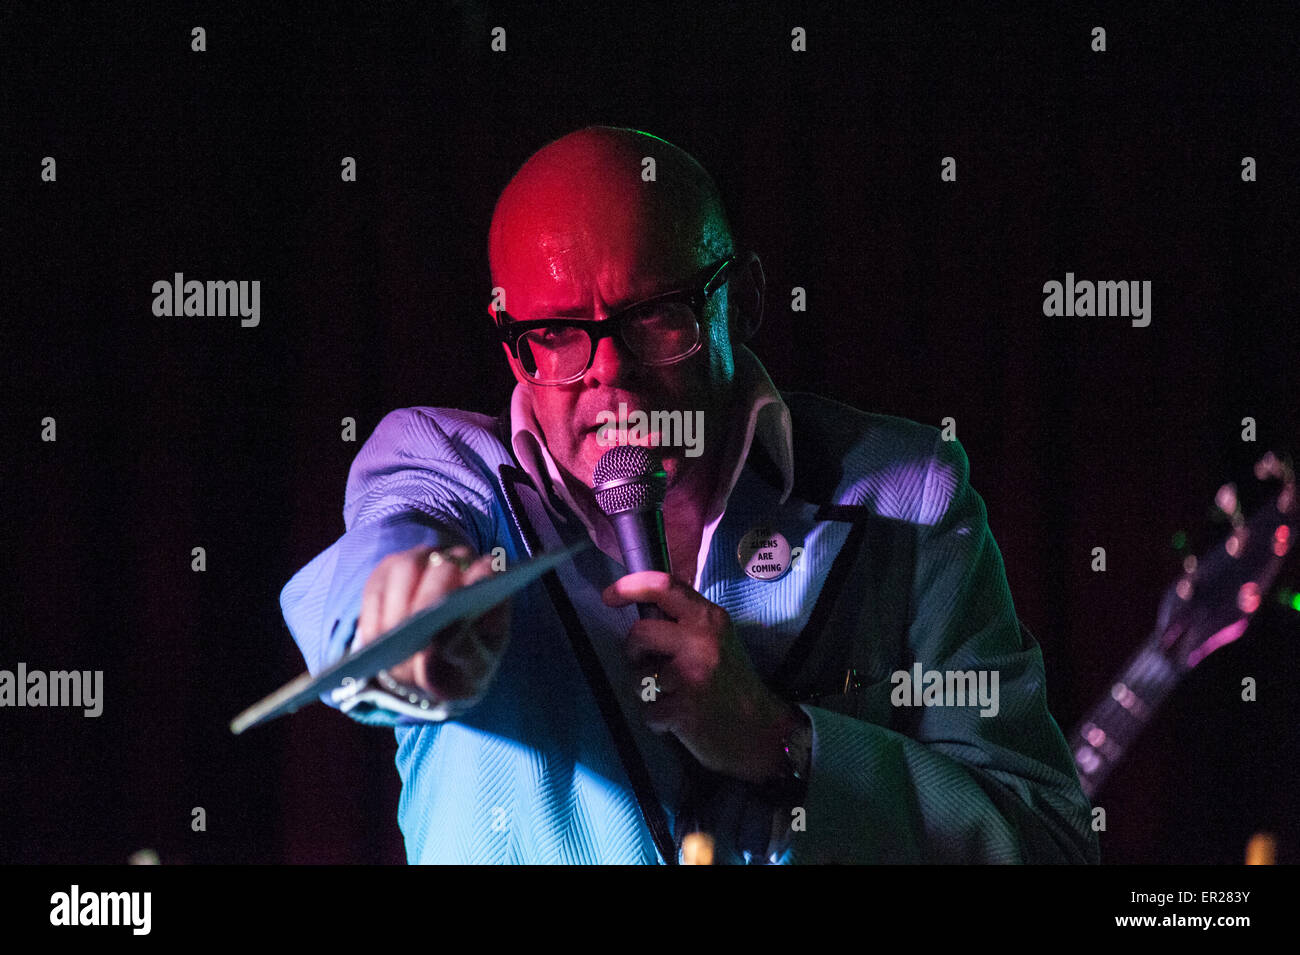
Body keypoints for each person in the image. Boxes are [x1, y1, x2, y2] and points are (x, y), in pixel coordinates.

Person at [279, 125, 1100, 864]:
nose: (611, 375)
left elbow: (1047, 844)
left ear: (741, 301)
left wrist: (783, 741)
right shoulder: (446, 467)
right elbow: (371, 575)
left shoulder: (905, 493)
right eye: (556, 334)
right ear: (513, 345)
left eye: (655, 316)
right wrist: (403, 613)